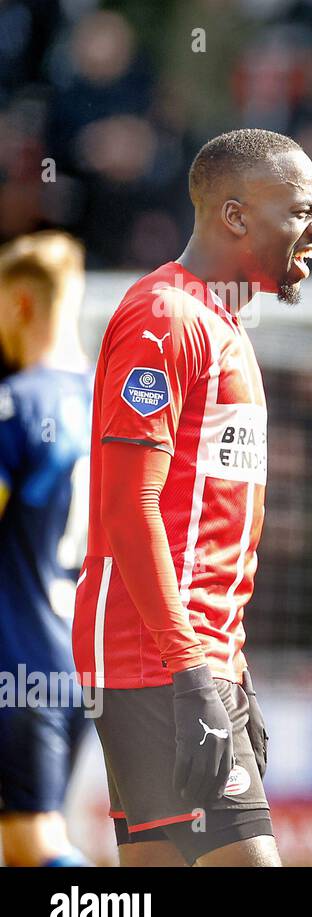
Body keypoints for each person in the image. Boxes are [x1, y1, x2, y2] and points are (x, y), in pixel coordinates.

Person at [70, 128, 312, 866]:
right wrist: (191, 670)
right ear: (237, 216)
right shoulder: (164, 318)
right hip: (157, 654)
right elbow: (127, 509)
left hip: (191, 654)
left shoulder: (223, 323)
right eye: (301, 209)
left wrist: (228, 673)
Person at [0, 231, 93, 866]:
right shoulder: (115, 406)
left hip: (19, 660)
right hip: (83, 660)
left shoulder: (19, 404)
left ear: (21, 306)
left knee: (35, 845)